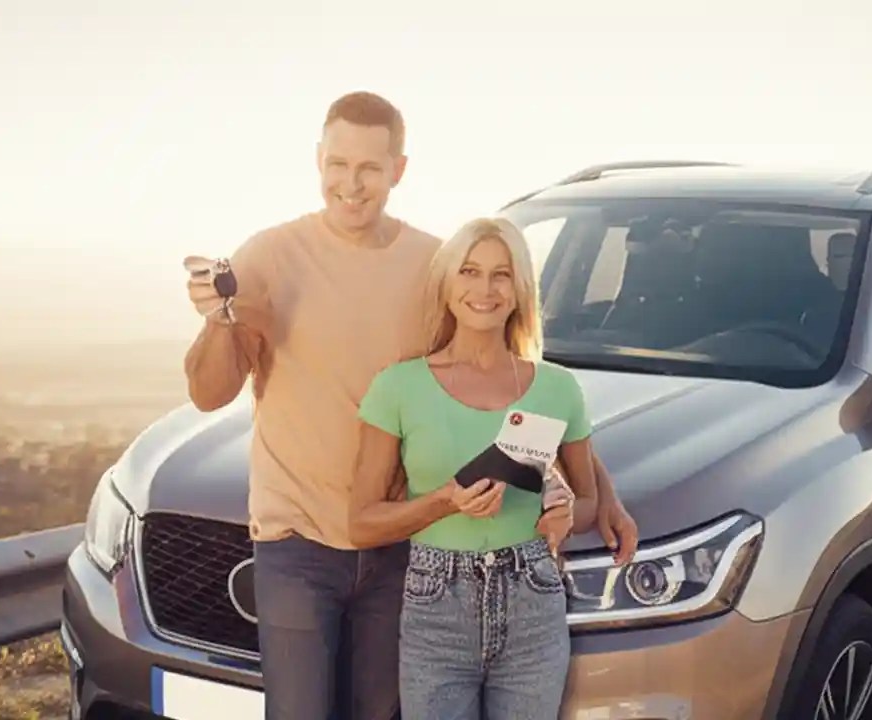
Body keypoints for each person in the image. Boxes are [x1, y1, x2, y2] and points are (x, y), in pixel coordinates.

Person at [182, 90, 638, 720]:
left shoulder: (433, 265)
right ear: (318, 161)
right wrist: (219, 321)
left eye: (369, 168)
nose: (351, 184)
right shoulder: (269, 256)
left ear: (398, 169)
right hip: (298, 540)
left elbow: (520, 384)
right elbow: (208, 394)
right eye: (337, 165)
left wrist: (602, 499)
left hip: (404, 545)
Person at [349, 216, 594, 719]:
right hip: (436, 608)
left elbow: (589, 502)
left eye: (501, 274)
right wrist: (443, 501)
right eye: (469, 271)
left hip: (534, 602)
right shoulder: (399, 387)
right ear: (446, 283)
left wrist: (567, 514)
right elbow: (361, 523)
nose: (485, 289)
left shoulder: (557, 389)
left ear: (520, 288)